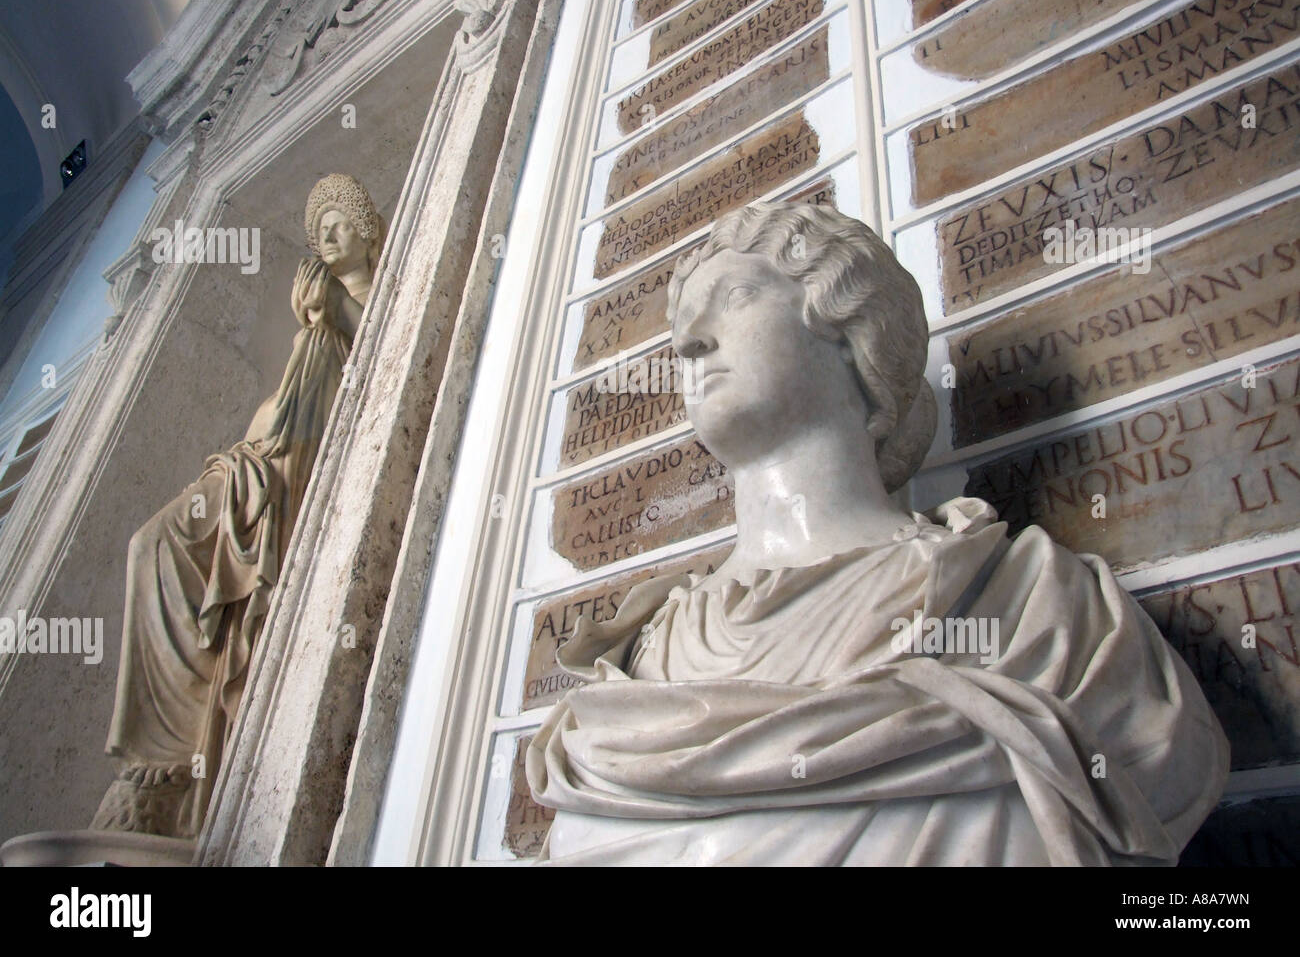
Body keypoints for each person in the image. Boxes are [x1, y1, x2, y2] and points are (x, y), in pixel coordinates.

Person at [526, 200, 1229, 866]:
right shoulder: (647, 658)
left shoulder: (1036, 612)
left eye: (735, 296)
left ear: (851, 331)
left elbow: (1154, 761)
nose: (687, 341)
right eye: (681, 326)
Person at [92, 174, 384, 839]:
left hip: (285, 481)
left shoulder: (374, 299)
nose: (325, 236)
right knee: (150, 545)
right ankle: (165, 755)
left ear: (367, 229)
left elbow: (390, 356)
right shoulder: (322, 307)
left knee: (173, 558)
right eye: (318, 230)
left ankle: (173, 767)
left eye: (338, 222)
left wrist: (336, 313)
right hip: (247, 466)